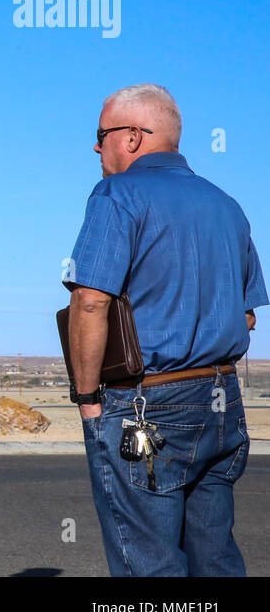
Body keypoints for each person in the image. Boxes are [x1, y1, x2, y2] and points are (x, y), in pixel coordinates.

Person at [66, 83, 266, 576]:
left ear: (132, 137)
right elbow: (246, 315)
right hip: (222, 402)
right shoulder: (227, 205)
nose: (96, 146)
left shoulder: (117, 194)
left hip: (146, 404)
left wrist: (87, 397)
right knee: (215, 556)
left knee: (149, 564)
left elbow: (90, 301)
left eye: (101, 134)